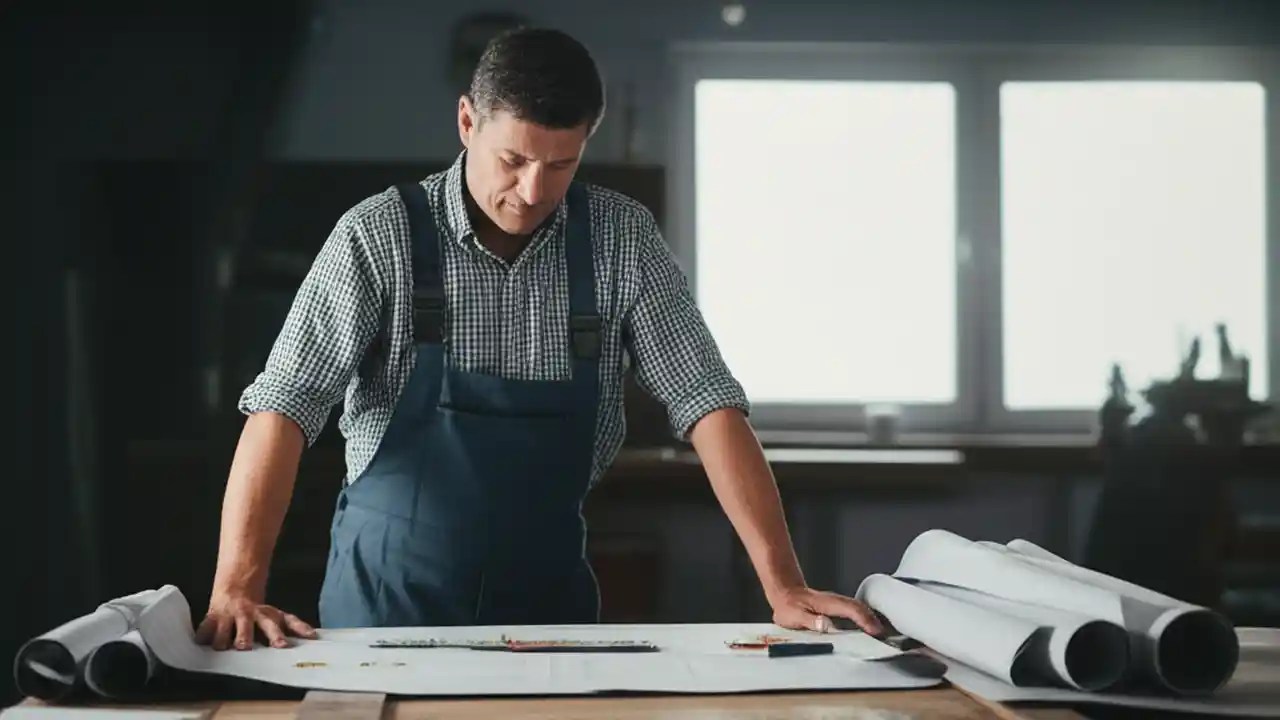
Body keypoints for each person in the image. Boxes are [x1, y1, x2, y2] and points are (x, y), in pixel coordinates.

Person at [196, 27, 882, 651]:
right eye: (514, 159)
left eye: (560, 165)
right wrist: (236, 585)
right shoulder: (376, 236)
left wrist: (783, 585)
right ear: (467, 121)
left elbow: (709, 404)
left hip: (547, 617)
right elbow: (284, 409)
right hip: (384, 612)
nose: (531, 190)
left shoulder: (622, 239)